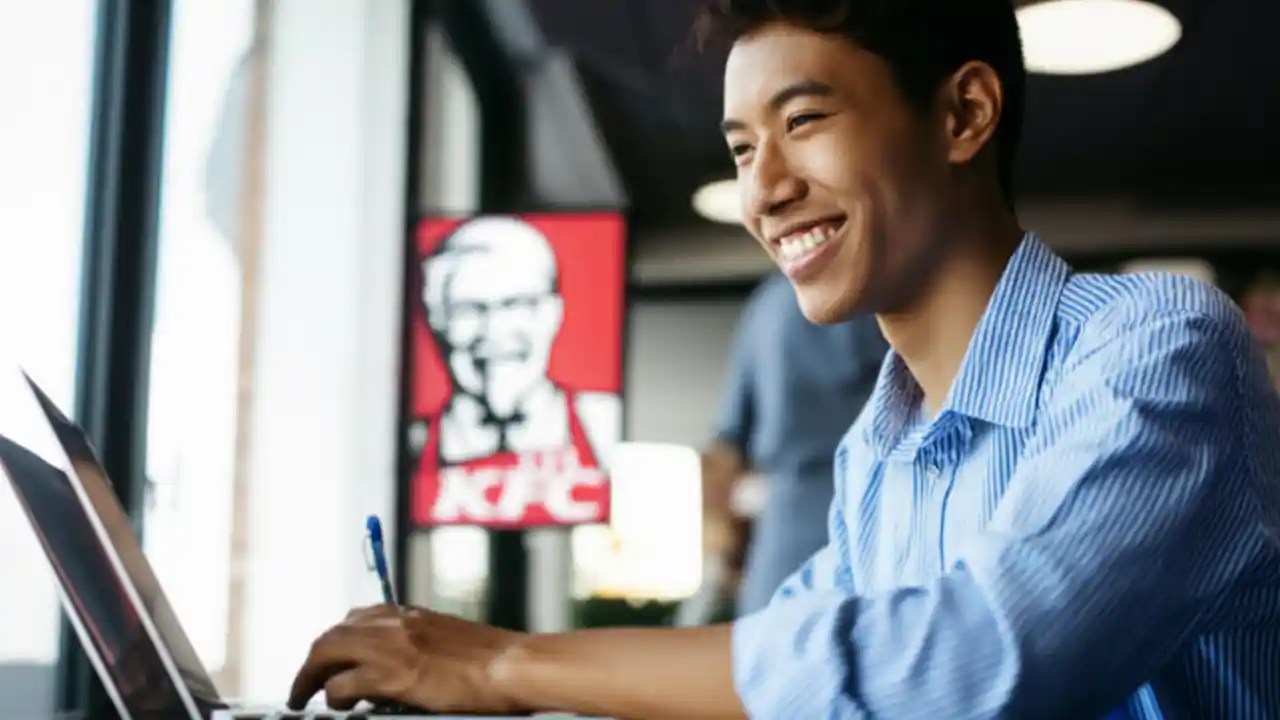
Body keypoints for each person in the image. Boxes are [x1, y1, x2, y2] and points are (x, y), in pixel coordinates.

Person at [288, 1, 1280, 717]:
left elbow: (971, 662)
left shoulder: (1154, 344)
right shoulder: (874, 457)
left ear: (961, 116)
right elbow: (780, 671)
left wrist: (505, 665)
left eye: (802, 122)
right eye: (738, 148)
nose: (763, 190)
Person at [408, 216, 620, 526]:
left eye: (517, 304)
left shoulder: (603, 424)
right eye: (469, 310)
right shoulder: (411, 444)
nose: (495, 331)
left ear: (553, 313)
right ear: (437, 321)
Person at [700, 273, 887, 618]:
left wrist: (723, 548)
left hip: (787, 535)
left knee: (773, 655)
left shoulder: (770, 304)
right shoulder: (885, 293)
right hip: (884, 513)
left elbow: (726, 452)